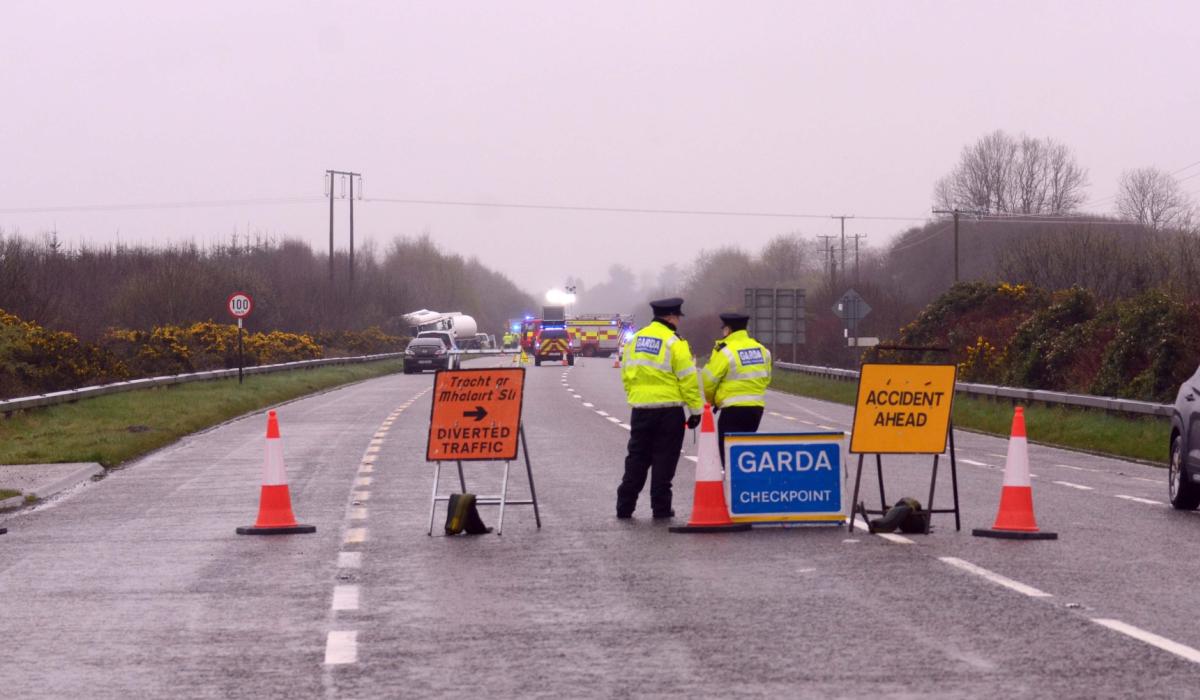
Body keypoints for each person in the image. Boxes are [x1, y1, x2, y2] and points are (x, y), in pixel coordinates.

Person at [617, 297, 703, 520]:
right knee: (665, 459)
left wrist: (636, 397)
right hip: (668, 411)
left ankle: (624, 506)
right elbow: (687, 379)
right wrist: (695, 411)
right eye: (678, 317)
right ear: (672, 317)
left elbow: (626, 373)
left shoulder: (634, 340)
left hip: (641, 409)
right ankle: (661, 508)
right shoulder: (675, 342)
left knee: (637, 457)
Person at [701, 312, 772, 463]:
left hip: (732, 410)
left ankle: (733, 484)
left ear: (728, 330)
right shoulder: (762, 350)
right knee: (746, 451)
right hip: (756, 410)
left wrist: (712, 400)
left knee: (729, 454)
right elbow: (766, 378)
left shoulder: (725, 351)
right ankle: (746, 484)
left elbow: (709, 380)